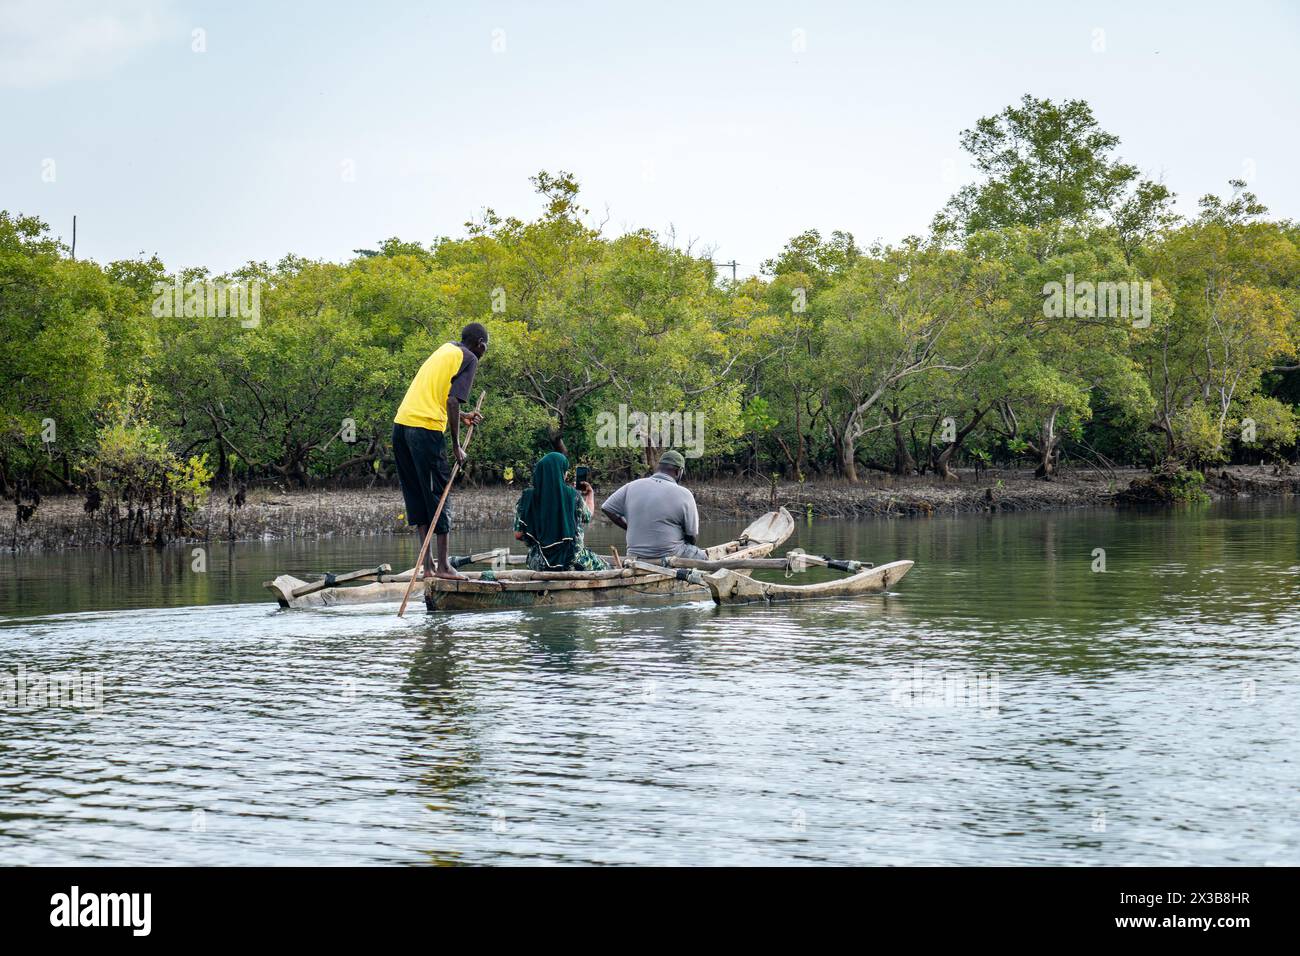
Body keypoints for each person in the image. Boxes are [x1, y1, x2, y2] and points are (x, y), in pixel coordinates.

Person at [392, 322, 487, 580]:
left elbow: (440, 395)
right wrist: (456, 445)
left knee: (418, 497)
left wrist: (463, 416)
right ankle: (444, 567)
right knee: (439, 495)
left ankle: (428, 567)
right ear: (481, 344)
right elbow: (453, 400)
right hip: (424, 430)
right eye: (484, 348)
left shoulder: (445, 349)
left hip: (401, 427)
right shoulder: (470, 358)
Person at [600, 450, 706, 560]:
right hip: (670, 555)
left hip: (634, 556)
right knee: (702, 556)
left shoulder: (632, 486)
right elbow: (692, 537)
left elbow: (607, 508)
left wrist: (629, 527)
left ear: (659, 468)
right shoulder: (684, 494)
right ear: (678, 472)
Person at [514, 452, 609, 572]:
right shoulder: (572, 495)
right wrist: (590, 495)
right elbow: (587, 516)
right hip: (571, 561)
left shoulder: (525, 499)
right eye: (565, 470)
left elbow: (518, 534)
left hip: (538, 563)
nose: (566, 473)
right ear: (559, 472)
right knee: (607, 568)